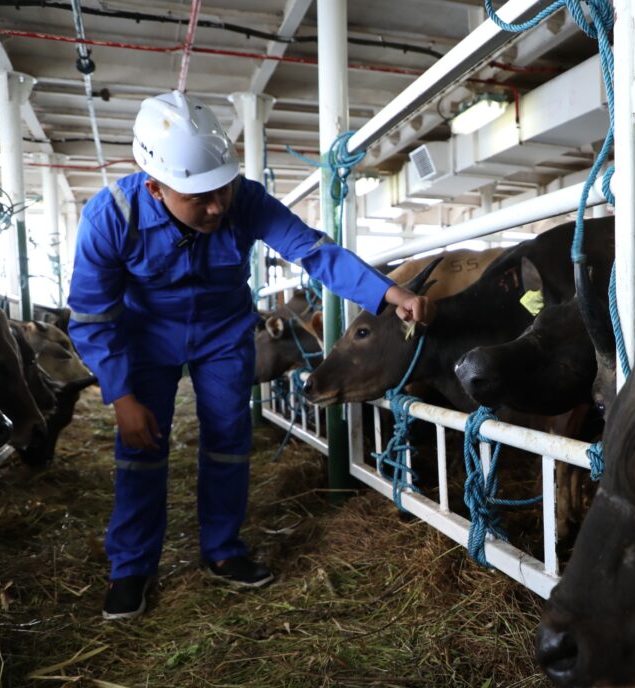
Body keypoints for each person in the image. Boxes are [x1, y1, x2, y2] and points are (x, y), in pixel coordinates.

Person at [68, 91, 434, 621]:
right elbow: (92, 317)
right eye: (200, 197)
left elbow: (313, 251)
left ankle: (222, 549)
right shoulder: (111, 217)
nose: (218, 206)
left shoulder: (244, 199)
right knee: (142, 445)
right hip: (145, 339)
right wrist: (120, 393)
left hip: (222, 334)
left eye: (223, 188)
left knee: (228, 440)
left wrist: (387, 294)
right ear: (155, 186)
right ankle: (131, 567)